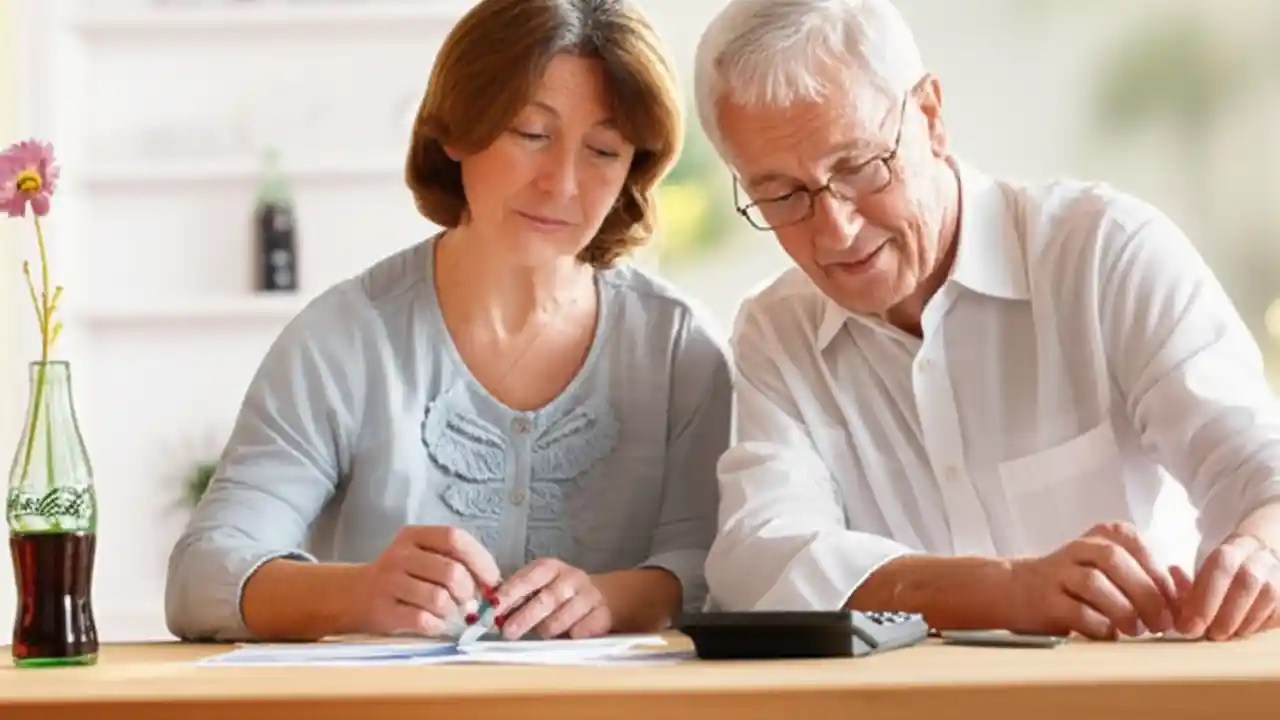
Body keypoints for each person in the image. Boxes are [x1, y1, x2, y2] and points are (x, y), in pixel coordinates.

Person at [695, 0, 1280, 641]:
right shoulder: (777, 334)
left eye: (859, 167)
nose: (835, 230)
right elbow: (759, 561)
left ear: (930, 115)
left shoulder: (1105, 253)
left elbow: (1260, 469)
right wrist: (1000, 590)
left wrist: (1261, 553)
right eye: (781, 194)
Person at [166, 0, 730, 643]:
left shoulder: (678, 347)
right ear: (456, 131)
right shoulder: (344, 339)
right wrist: (358, 592)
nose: (563, 184)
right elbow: (200, 578)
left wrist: (609, 599)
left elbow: (717, 566)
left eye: (604, 149)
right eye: (531, 134)